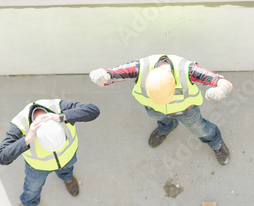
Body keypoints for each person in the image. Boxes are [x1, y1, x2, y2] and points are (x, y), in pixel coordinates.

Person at [89, 54, 233, 165]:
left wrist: (222, 90)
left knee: (201, 129)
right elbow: (110, 75)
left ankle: (216, 144)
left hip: (186, 111)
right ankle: (166, 127)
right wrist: (101, 76)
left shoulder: (187, 70)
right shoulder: (139, 68)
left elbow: (224, 83)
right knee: (161, 120)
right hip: (155, 109)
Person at [0, 99, 100, 206]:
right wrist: (27, 139)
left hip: (67, 157)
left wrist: (61, 117)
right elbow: (2, 157)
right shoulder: (20, 125)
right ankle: (28, 203)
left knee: (67, 170)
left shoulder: (58, 107)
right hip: (38, 167)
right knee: (32, 188)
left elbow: (93, 111)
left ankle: (67, 178)